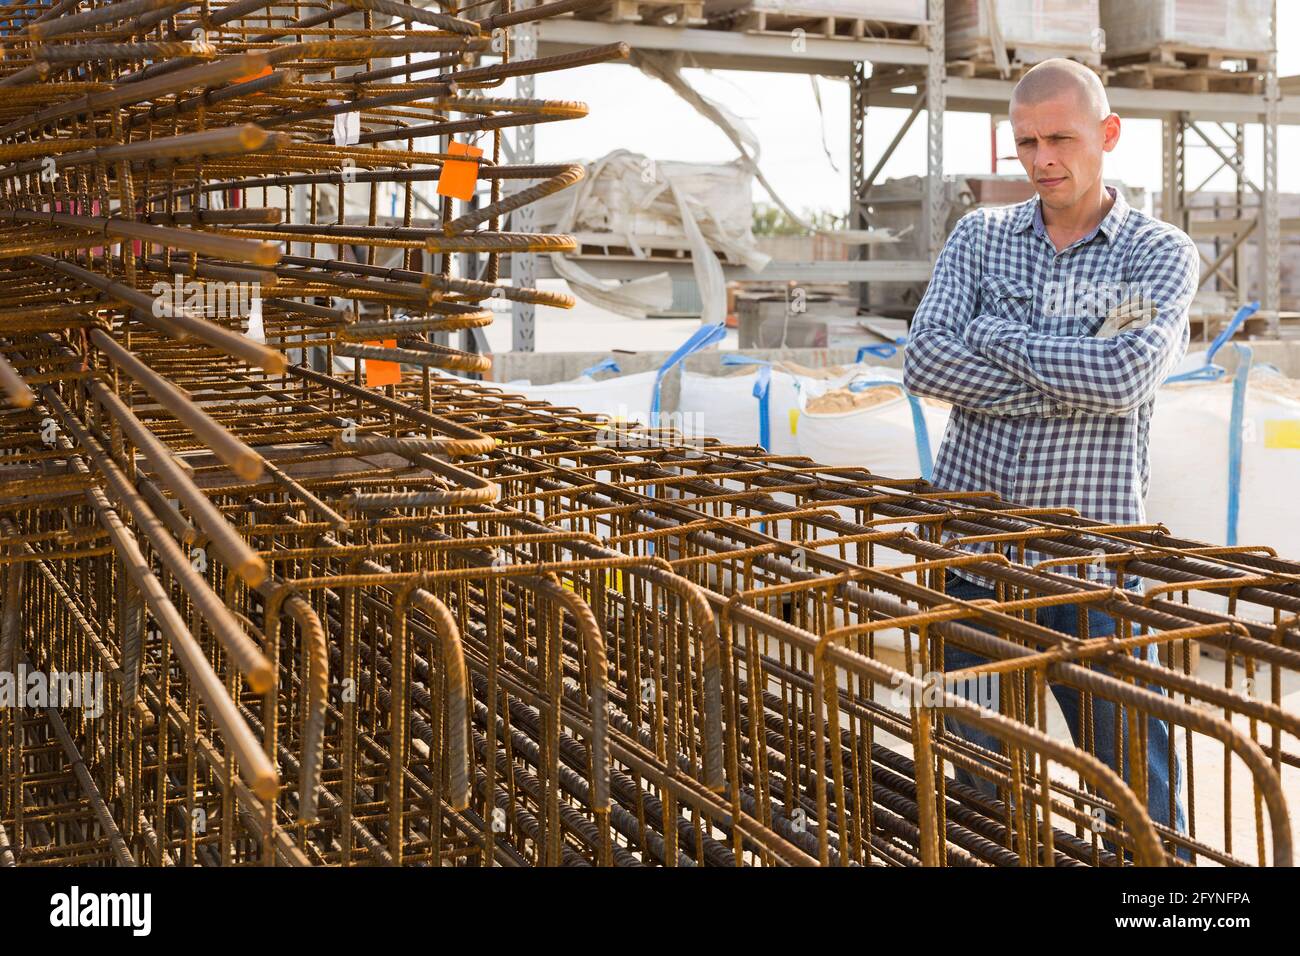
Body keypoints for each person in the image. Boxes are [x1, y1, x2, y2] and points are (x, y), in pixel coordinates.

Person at [902, 58, 1195, 842]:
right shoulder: (980, 237)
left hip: (1087, 563)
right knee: (978, 788)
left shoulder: (1155, 253)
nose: (1041, 161)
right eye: (1025, 142)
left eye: (1059, 138)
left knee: (1137, 794)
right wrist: (1069, 367)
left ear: (1107, 134)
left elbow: (1127, 375)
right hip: (971, 557)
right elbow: (924, 361)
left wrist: (995, 339)